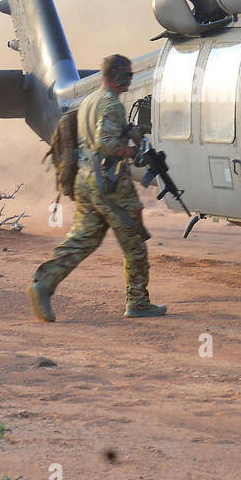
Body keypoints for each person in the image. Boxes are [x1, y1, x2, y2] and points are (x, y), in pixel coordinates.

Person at [28, 54, 165, 321]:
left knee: (82, 240)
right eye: (127, 75)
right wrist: (131, 150)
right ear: (114, 76)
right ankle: (137, 301)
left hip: (87, 181)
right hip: (111, 185)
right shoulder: (111, 104)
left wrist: (131, 132)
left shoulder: (91, 100)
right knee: (134, 242)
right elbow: (105, 142)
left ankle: (43, 285)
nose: (130, 80)